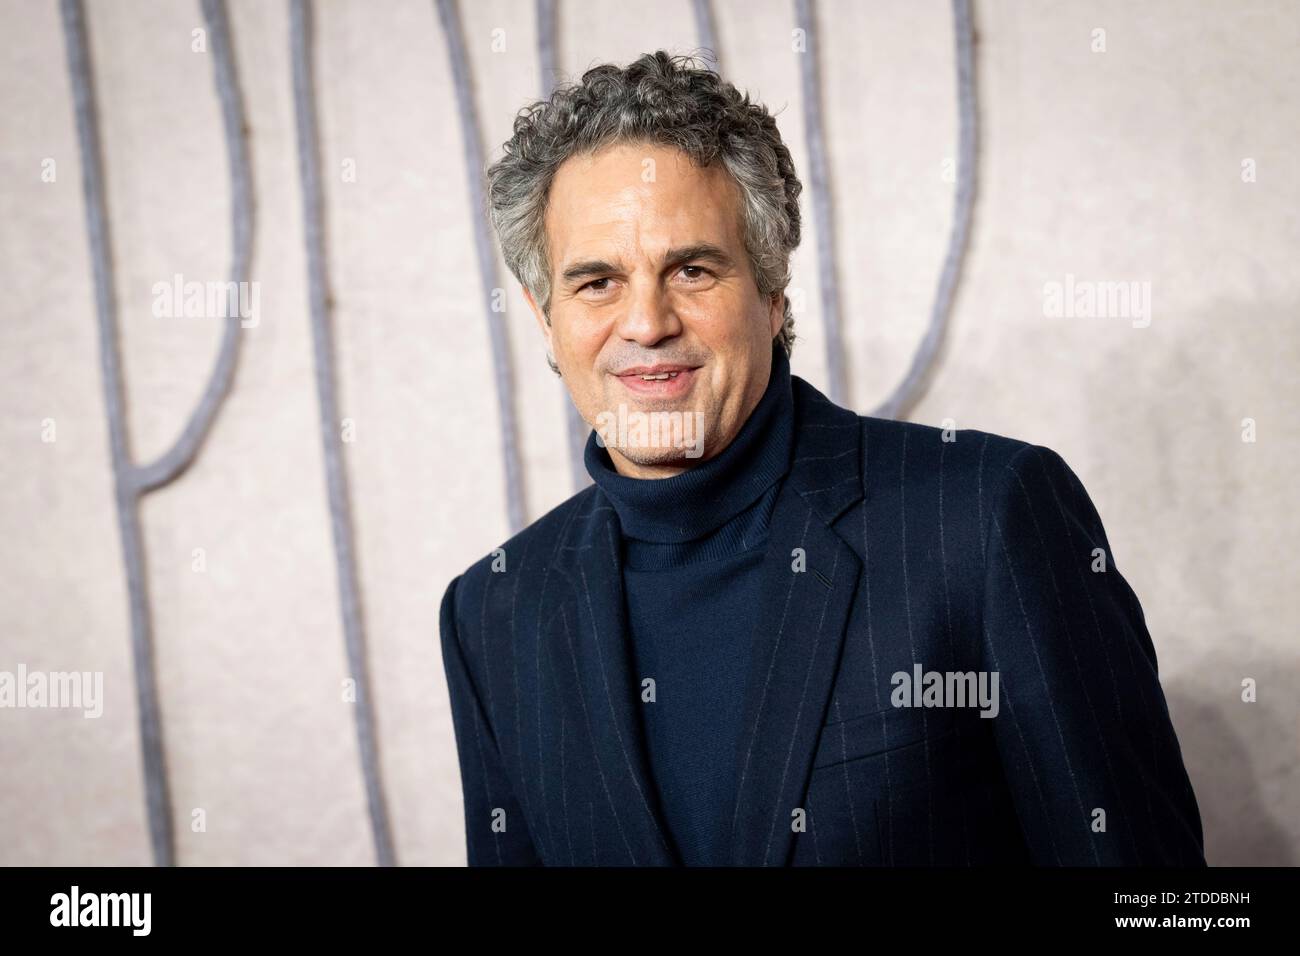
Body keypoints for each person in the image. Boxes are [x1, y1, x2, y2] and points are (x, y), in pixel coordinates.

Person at [438, 51, 1205, 866]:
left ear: (771, 291)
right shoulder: (493, 613)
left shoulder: (985, 518)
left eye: (692, 269)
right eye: (596, 283)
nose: (646, 323)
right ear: (543, 314)